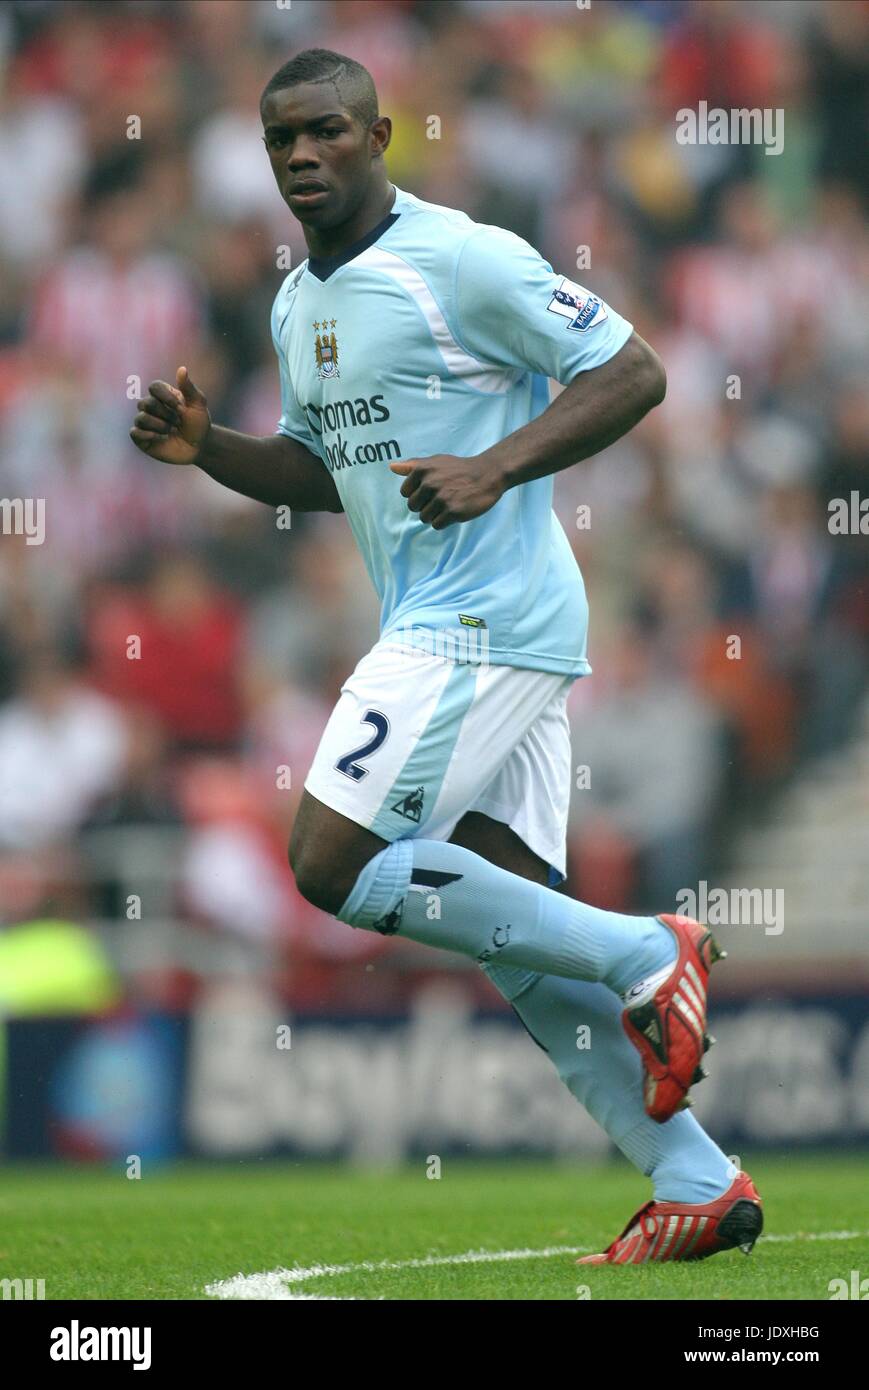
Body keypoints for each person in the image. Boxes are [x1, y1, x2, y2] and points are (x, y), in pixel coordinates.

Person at [131, 48, 762, 1264]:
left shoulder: (460, 258)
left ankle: (651, 949)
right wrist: (211, 448)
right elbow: (327, 472)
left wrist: (495, 466)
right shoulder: (297, 302)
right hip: (457, 624)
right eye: (280, 141)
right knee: (509, 936)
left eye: (324, 131)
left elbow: (631, 369)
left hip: (484, 617)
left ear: (378, 134)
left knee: (330, 861)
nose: (301, 155)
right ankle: (700, 1185)